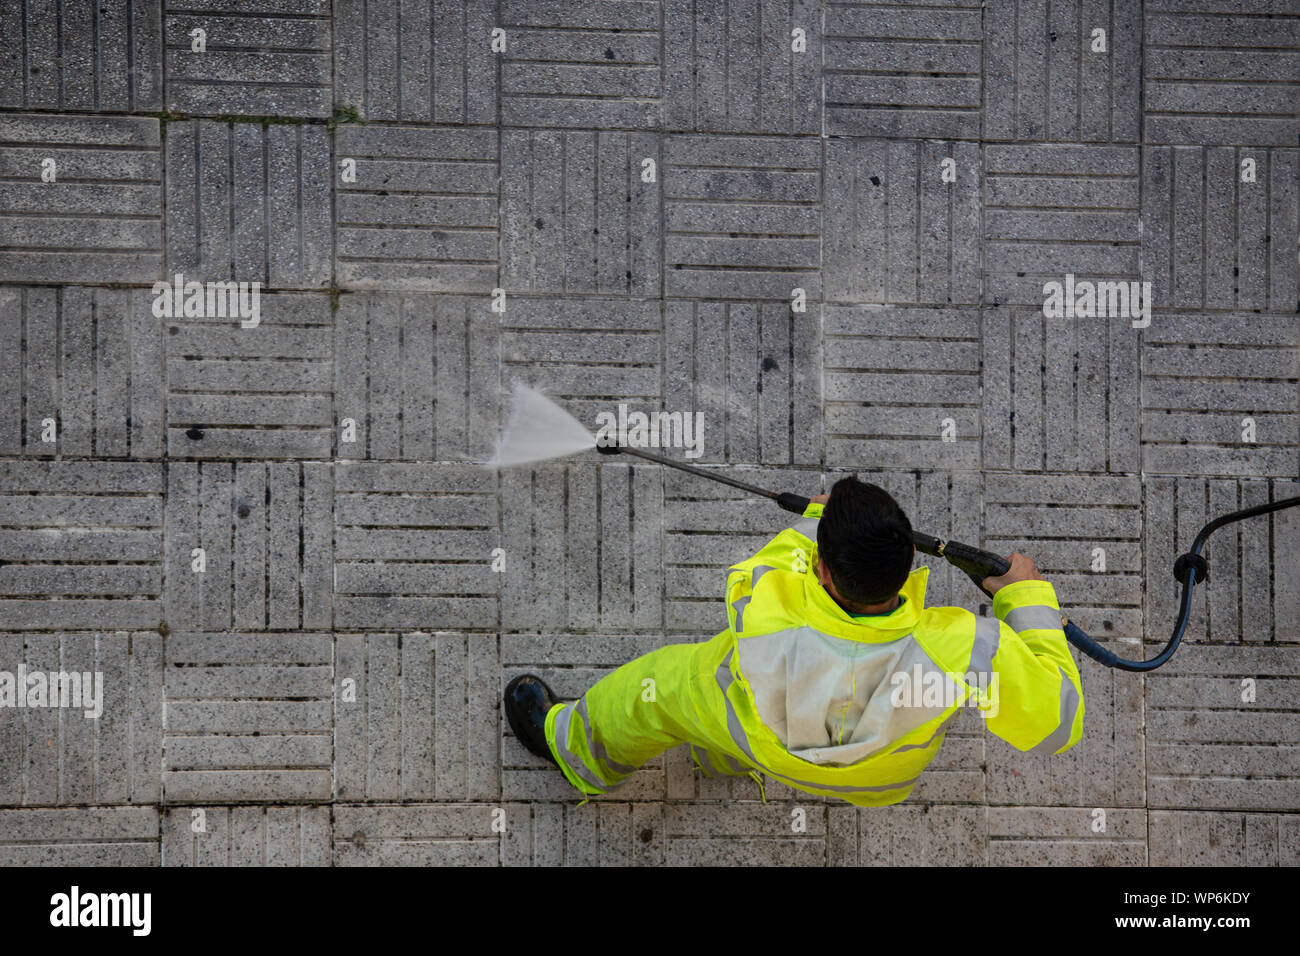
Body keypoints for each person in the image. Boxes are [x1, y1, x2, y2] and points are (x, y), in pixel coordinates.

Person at [504, 476, 1084, 806]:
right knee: (721, 709)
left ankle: (573, 748)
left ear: (824, 573)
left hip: (759, 734)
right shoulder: (966, 648)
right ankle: (720, 762)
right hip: (876, 779)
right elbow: (1059, 722)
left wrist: (813, 520)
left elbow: (773, 561)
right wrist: (1027, 600)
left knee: (655, 687)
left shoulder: (767, 603)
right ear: (910, 562)